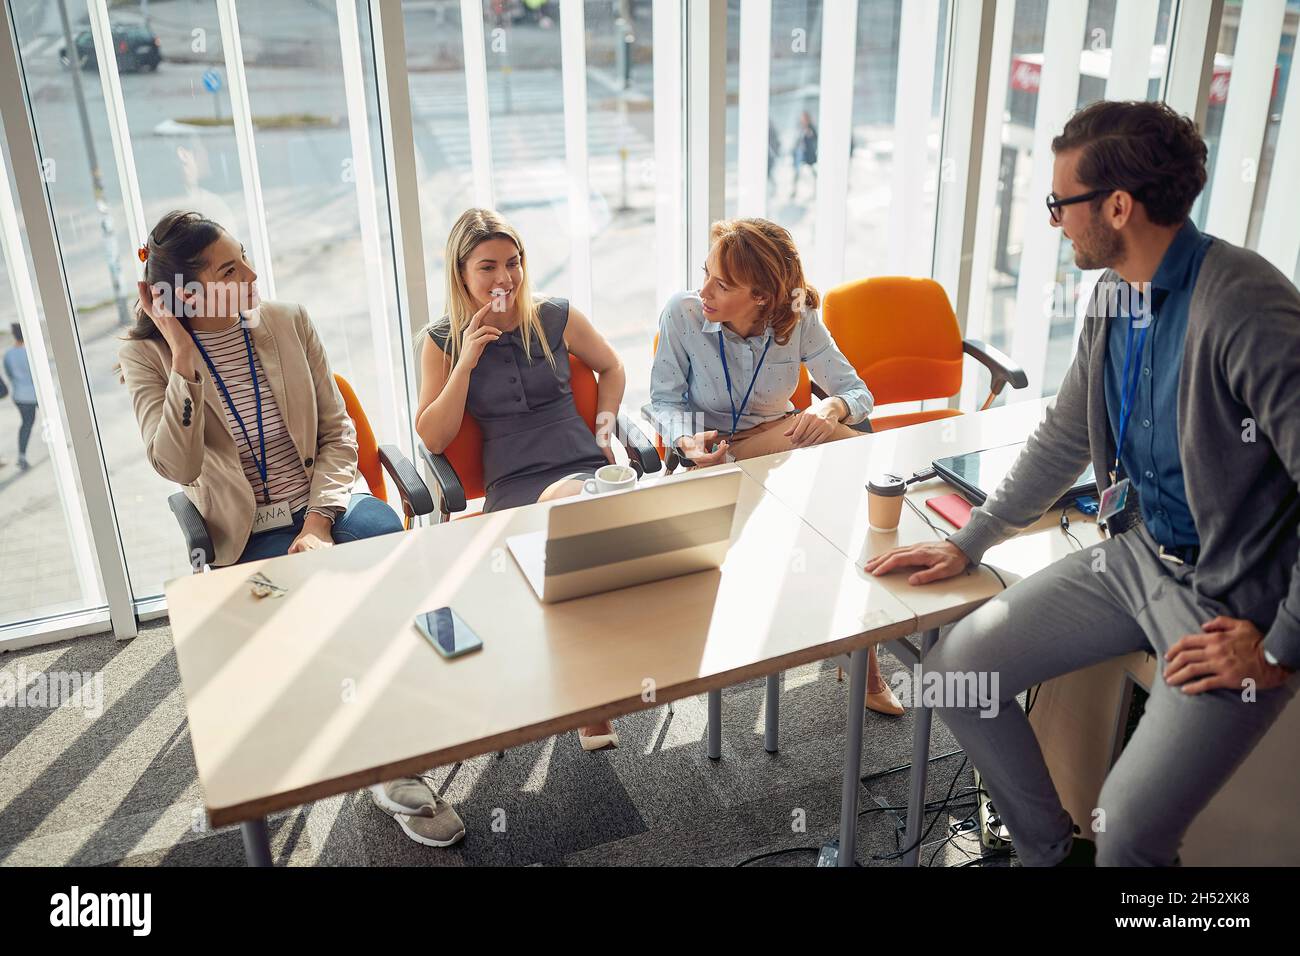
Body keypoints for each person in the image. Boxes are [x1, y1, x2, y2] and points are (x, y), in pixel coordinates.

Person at [866, 100, 1300, 866]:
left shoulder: (1244, 306)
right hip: (1137, 559)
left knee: (1129, 831)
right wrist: (973, 540)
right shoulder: (1113, 296)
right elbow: (1065, 436)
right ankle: (1045, 852)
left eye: (1061, 204)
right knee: (956, 674)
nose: (1056, 222)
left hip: (1234, 604)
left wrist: (1280, 647)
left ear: (1119, 207)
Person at [120, 211, 460, 848]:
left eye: (244, 257)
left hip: (326, 509)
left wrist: (320, 522)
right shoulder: (145, 356)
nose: (251, 273)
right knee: (319, 624)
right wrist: (184, 356)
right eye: (228, 270)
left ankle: (389, 752)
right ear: (183, 292)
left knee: (403, 590)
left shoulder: (286, 321)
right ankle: (386, 763)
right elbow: (178, 464)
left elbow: (338, 435)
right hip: (246, 536)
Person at [650, 217, 903, 716]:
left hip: (780, 443)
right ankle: (854, 646)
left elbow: (858, 393)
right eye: (706, 274)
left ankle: (861, 645)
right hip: (713, 456)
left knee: (844, 506)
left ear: (763, 296)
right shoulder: (683, 314)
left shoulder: (797, 317)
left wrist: (831, 407)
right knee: (848, 479)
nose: (704, 290)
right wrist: (685, 438)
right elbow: (663, 399)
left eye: (722, 284)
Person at [415, 207, 628, 749]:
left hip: (579, 462)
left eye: (513, 263)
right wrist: (464, 362)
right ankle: (591, 693)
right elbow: (434, 438)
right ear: (460, 274)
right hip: (513, 481)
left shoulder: (554, 315)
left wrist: (604, 430)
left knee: (578, 517)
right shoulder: (441, 340)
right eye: (487, 267)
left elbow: (612, 365)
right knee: (570, 525)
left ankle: (587, 691)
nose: (504, 278)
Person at [4, 323, 37, 471]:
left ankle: (22, 456)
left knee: (26, 424)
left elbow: (9, 375)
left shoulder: (8, 354)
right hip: (35, 394)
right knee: (51, 419)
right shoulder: (30, 352)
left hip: (19, 395)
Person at [791, 111, 818, 200]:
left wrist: (809, 135)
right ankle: (794, 191)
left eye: (804, 118)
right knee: (797, 173)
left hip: (808, 155)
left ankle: (817, 190)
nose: (803, 120)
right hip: (800, 154)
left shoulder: (811, 128)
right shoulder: (799, 128)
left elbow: (815, 139)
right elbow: (796, 141)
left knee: (814, 173)